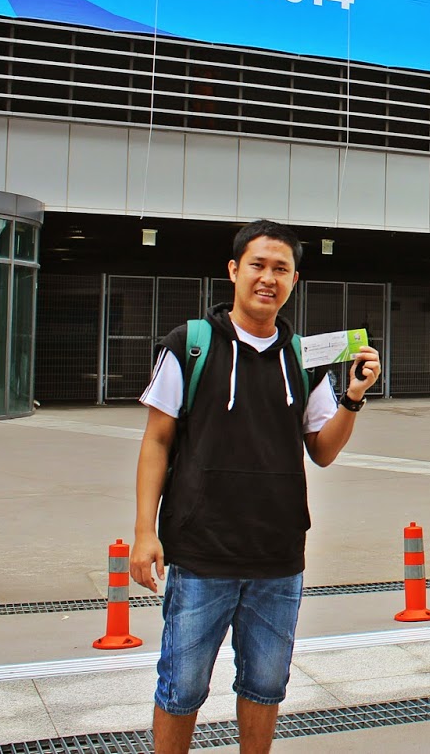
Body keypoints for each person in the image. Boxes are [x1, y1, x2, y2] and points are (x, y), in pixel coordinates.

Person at [129, 220, 381, 754]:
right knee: (181, 687)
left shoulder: (304, 358)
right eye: (258, 266)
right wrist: (144, 532)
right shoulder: (190, 345)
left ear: (294, 280)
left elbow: (323, 449)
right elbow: (156, 441)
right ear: (233, 270)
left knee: (265, 686)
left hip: (277, 556)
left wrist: (354, 398)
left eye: (281, 269)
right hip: (200, 553)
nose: (268, 278)